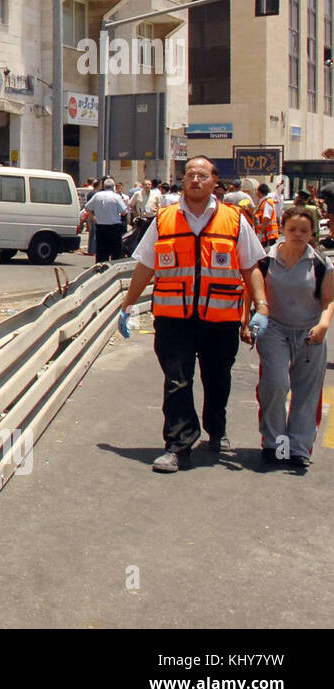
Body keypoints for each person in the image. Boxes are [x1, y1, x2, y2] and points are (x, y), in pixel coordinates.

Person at [118, 157, 267, 473]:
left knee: (217, 380)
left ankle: (216, 427)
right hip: (174, 319)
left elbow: (250, 267)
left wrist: (261, 308)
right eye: (189, 175)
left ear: (215, 182)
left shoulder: (236, 220)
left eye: (202, 175)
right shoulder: (163, 220)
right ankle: (177, 446)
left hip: (221, 319)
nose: (195, 180)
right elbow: (146, 266)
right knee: (177, 382)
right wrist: (128, 304)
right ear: (183, 181)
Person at [252, 207, 334, 469]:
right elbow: (251, 291)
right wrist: (248, 321)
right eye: (292, 230)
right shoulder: (266, 259)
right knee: (275, 385)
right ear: (283, 230)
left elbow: (328, 300)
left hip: (310, 332)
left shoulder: (321, 264)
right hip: (275, 330)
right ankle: (276, 445)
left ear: (312, 233)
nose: (297, 235)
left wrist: (323, 325)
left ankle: (298, 448)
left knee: (307, 392)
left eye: (304, 231)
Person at [82, 178, 127, 263]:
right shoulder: (116, 197)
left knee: (101, 252)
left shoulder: (97, 196)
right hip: (114, 227)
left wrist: (93, 217)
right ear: (113, 187)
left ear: (103, 186)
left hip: (101, 226)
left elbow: (87, 207)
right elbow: (124, 212)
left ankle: (101, 270)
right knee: (116, 253)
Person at [256, 183, 280, 247]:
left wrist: (261, 232)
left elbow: (267, 218)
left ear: (259, 192)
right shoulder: (264, 202)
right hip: (267, 235)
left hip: (268, 236)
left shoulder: (267, 202)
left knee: (267, 255)